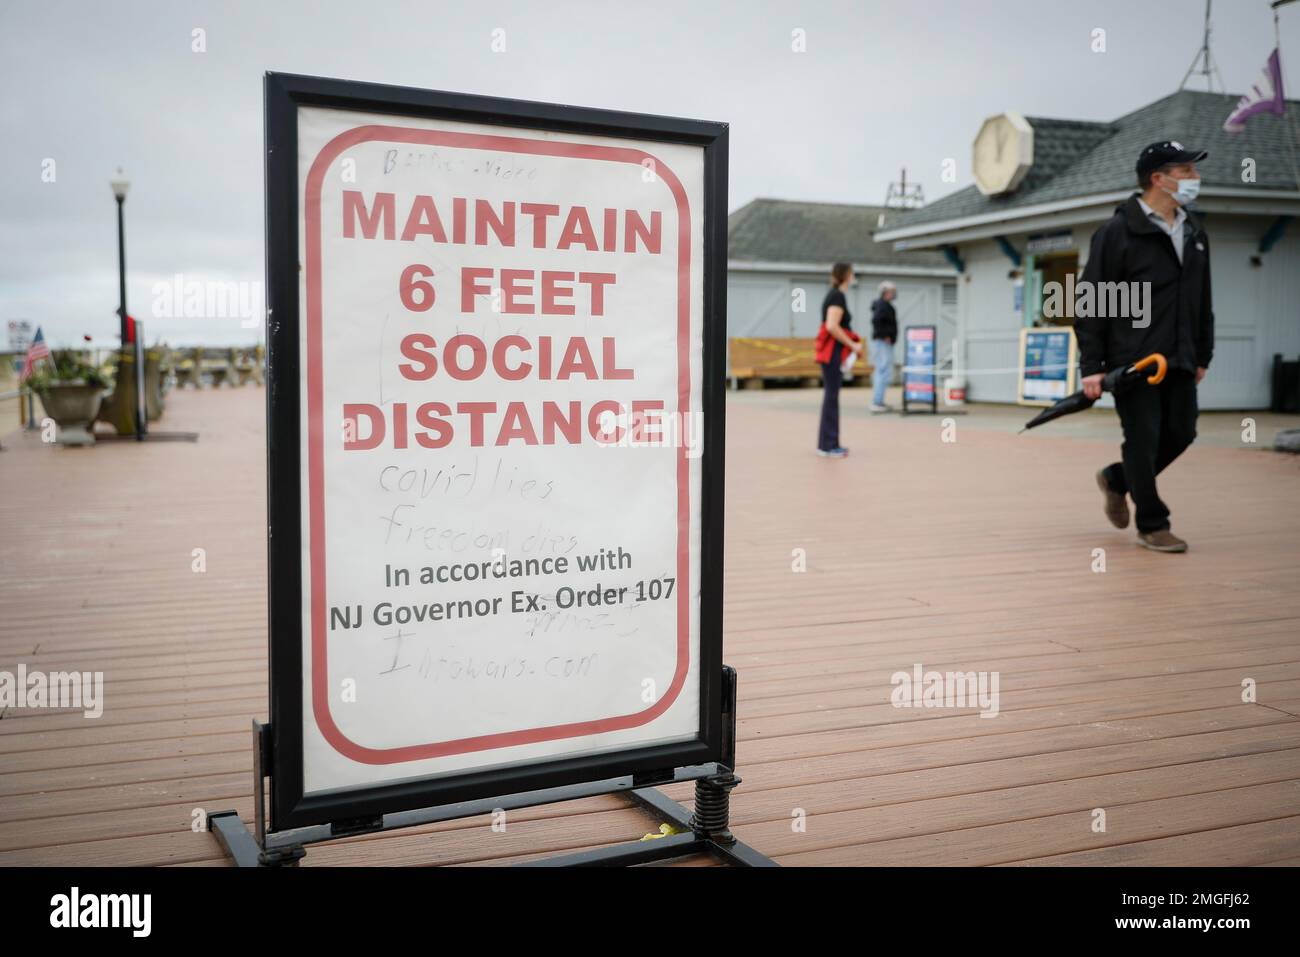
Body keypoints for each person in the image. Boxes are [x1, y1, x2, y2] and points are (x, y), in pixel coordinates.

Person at [1076, 141, 1214, 553]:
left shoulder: (1193, 230)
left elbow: (1201, 298)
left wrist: (1201, 353)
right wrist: (1091, 366)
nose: (1194, 178)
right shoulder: (1118, 233)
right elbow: (1091, 301)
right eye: (1186, 171)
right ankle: (1153, 523)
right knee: (1143, 437)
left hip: (1180, 357)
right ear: (1159, 178)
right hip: (1133, 359)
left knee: (1181, 432)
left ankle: (1118, 480)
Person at [814, 262, 863, 457]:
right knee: (831, 396)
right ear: (847, 275)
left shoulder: (835, 295)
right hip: (832, 352)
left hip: (834, 352)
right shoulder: (837, 296)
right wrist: (853, 345)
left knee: (831, 396)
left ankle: (829, 442)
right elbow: (832, 326)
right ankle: (828, 445)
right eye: (852, 273)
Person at [868, 281, 898, 412]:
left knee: (884, 371)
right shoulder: (882, 305)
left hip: (884, 342)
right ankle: (877, 402)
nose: (894, 294)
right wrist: (885, 335)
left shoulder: (885, 305)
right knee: (882, 370)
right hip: (882, 342)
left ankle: (879, 401)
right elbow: (876, 321)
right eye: (892, 291)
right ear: (886, 292)